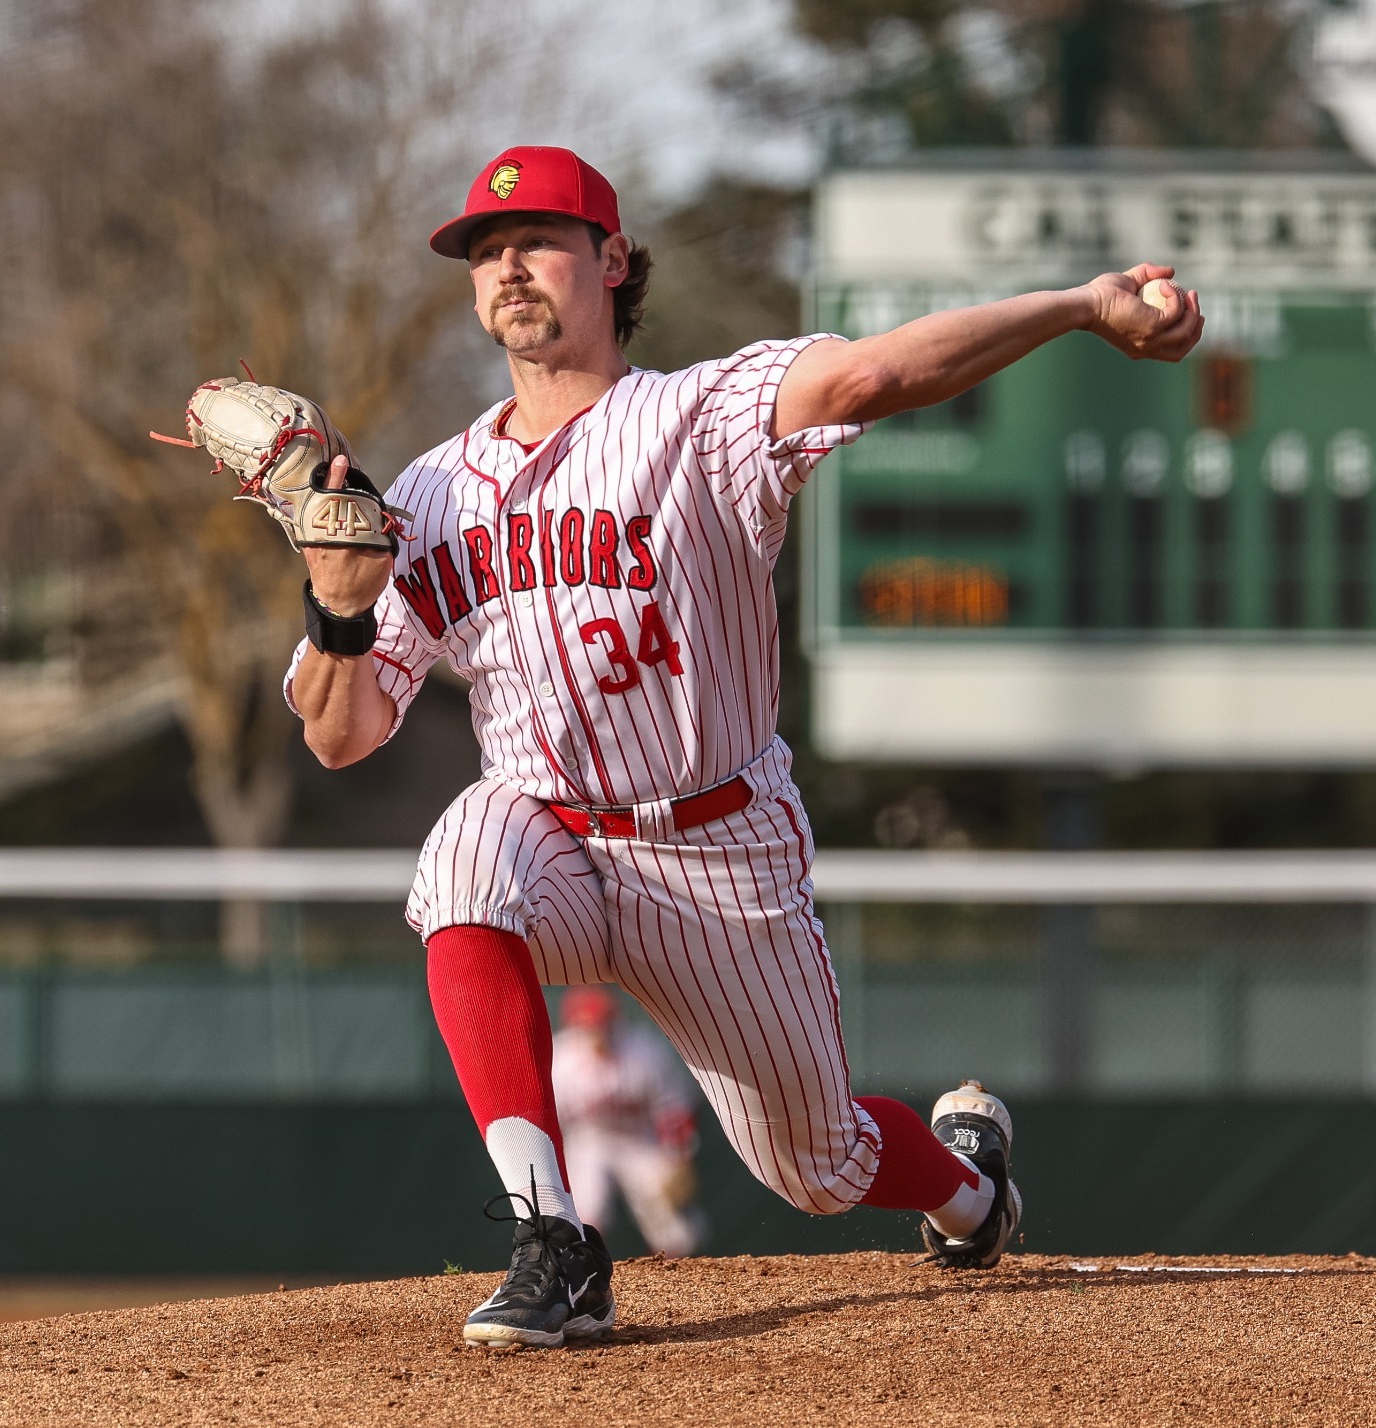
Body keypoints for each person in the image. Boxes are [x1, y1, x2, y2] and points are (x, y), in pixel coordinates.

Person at [286, 145, 1202, 1348]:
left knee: (814, 1164)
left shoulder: (694, 416)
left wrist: (1080, 306)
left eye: (540, 240)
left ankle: (969, 1189)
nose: (508, 267)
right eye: (484, 251)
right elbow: (343, 738)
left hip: (718, 853)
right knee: (464, 855)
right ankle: (551, 1236)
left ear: (611, 262)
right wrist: (338, 613)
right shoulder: (429, 492)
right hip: (550, 837)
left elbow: (873, 371)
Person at [551, 986, 706, 1259]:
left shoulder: (644, 1051)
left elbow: (675, 1108)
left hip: (639, 1139)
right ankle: (584, 1273)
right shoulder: (560, 1057)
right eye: (585, 1026)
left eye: (600, 1023)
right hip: (589, 1141)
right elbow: (551, 1120)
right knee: (586, 1211)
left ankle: (668, 1279)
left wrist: (677, 1157)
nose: (594, 1031)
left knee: (677, 1230)